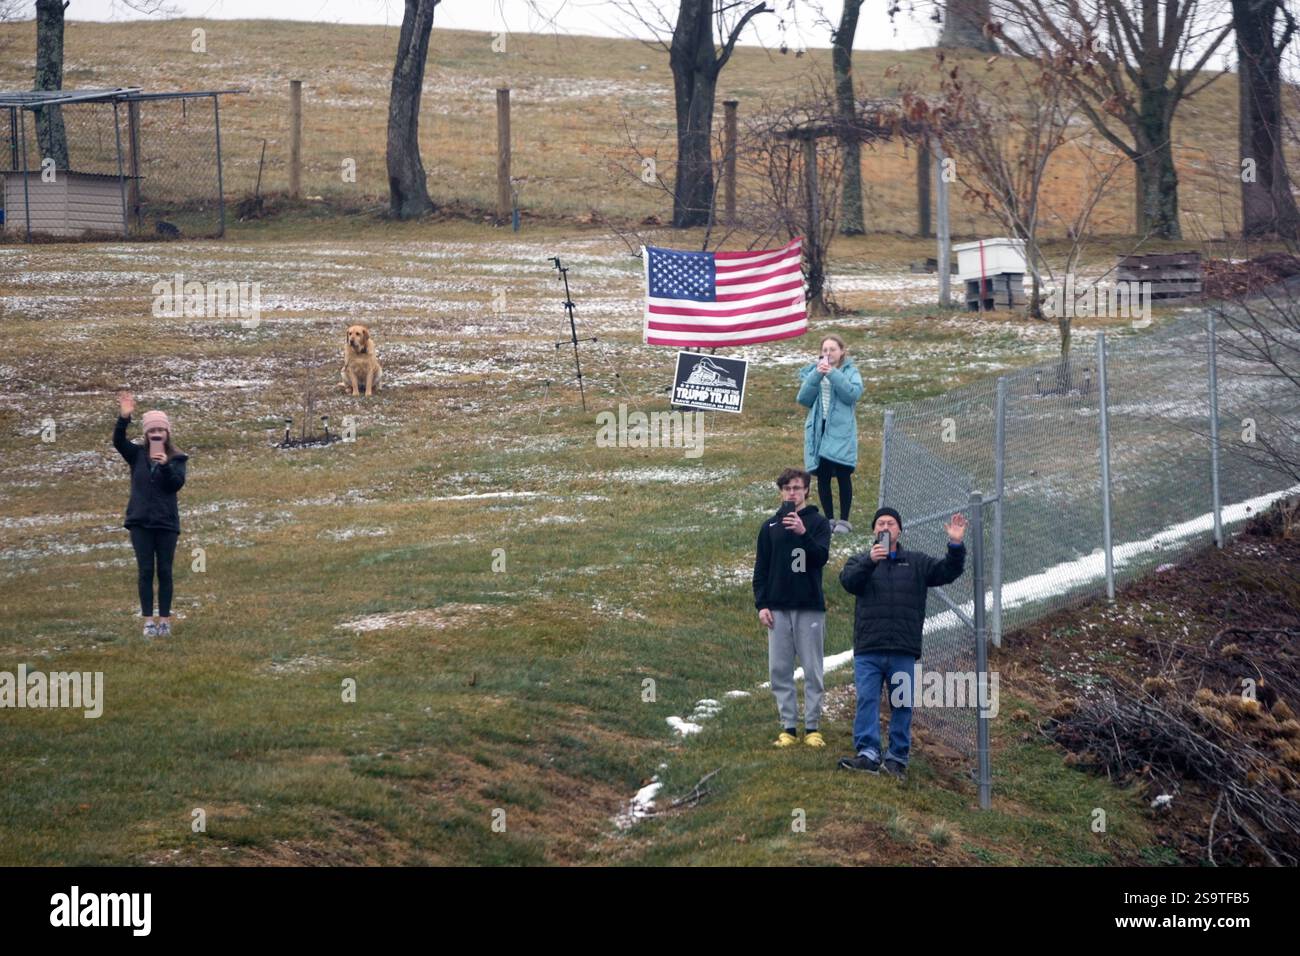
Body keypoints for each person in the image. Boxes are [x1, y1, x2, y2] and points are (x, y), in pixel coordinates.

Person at [836, 506, 967, 780]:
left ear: (899, 530)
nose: (885, 527)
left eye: (891, 523)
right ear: (874, 530)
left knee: (902, 704)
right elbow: (848, 582)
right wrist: (870, 561)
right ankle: (868, 754)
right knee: (867, 700)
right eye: (880, 523)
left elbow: (947, 572)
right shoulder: (860, 561)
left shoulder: (917, 563)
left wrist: (955, 544)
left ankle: (896, 758)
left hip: (902, 650)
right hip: (868, 649)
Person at [753, 468, 833, 748]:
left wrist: (802, 533)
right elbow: (761, 569)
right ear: (781, 492)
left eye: (797, 488)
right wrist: (762, 604)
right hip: (777, 608)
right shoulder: (770, 527)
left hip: (809, 606)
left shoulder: (819, 523)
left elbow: (821, 557)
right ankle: (788, 727)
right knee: (780, 669)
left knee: (812, 669)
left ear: (807, 491)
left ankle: (812, 727)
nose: (792, 493)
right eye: (787, 488)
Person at [113, 392, 188, 638]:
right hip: (140, 522)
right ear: (145, 435)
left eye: (160, 430)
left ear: (167, 433)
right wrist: (124, 417)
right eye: (151, 431)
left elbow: (175, 485)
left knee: (164, 570)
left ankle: (164, 620)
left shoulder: (178, 458)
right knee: (145, 570)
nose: (156, 434)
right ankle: (148, 621)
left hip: (166, 523)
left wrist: (165, 465)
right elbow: (118, 441)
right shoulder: (136, 455)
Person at [796, 334, 863, 535]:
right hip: (819, 428)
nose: (828, 353)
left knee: (843, 474)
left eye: (832, 349)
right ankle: (829, 519)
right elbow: (804, 399)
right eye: (825, 350)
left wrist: (833, 374)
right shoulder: (812, 371)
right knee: (823, 475)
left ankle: (844, 520)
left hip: (841, 430)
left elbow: (852, 395)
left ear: (842, 351)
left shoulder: (850, 371)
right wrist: (817, 375)